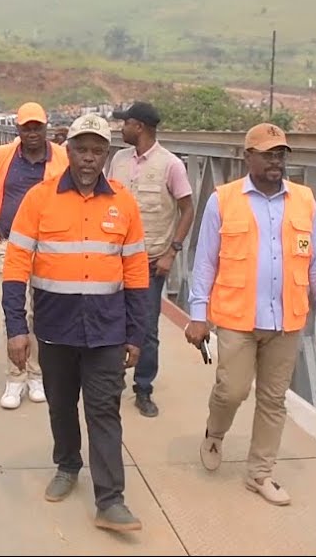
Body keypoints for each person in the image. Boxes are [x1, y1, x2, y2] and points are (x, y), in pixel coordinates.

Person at [2, 113, 149, 532]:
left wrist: (136, 334)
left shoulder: (123, 202)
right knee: (61, 405)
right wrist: (16, 327)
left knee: (104, 410)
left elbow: (137, 272)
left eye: (97, 150)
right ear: (68, 151)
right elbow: (16, 265)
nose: (88, 158)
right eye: (81, 149)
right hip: (54, 327)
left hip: (106, 329)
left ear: (107, 154)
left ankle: (110, 500)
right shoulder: (39, 198)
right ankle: (67, 465)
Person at [185, 123, 316, 507]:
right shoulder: (222, 200)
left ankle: (260, 473)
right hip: (237, 318)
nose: (276, 161)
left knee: (273, 399)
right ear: (247, 157)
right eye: (268, 154)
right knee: (232, 390)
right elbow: (204, 261)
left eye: (281, 154)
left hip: (287, 319)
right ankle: (215, 432)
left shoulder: (303, 200)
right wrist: (198, 314)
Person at [0, 102, 69, 410]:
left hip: (49, 245)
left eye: (37, 127)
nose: (32, 133)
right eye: (26, 128)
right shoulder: (1, 155)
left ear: (46, 128)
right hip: (10, 242)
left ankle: (36, 374)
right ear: (18, 129)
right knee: (16, 308)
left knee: (41, 312)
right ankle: (15, 378)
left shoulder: (62, 157)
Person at [108, 101, 194, 418]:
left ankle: (143, 388)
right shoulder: (117, 160)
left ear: (139, 127)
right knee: (112, 322)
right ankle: (113, 381)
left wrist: (173, 251)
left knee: (146, 329)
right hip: (114, 258)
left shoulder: (170, 165)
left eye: (125, 123)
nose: (121, 129)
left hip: (150, 260)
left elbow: (188, 209)